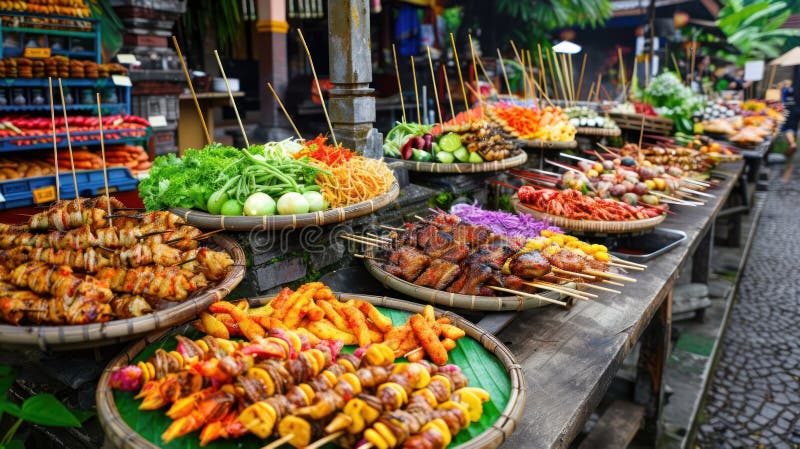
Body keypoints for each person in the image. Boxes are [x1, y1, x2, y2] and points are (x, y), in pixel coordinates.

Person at [780, 66, 800, 160]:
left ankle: (792, 144)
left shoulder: (790, 88)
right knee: (794, 128)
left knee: (789, 128)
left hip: (792, 107)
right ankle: (792, 144)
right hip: (796, 106)